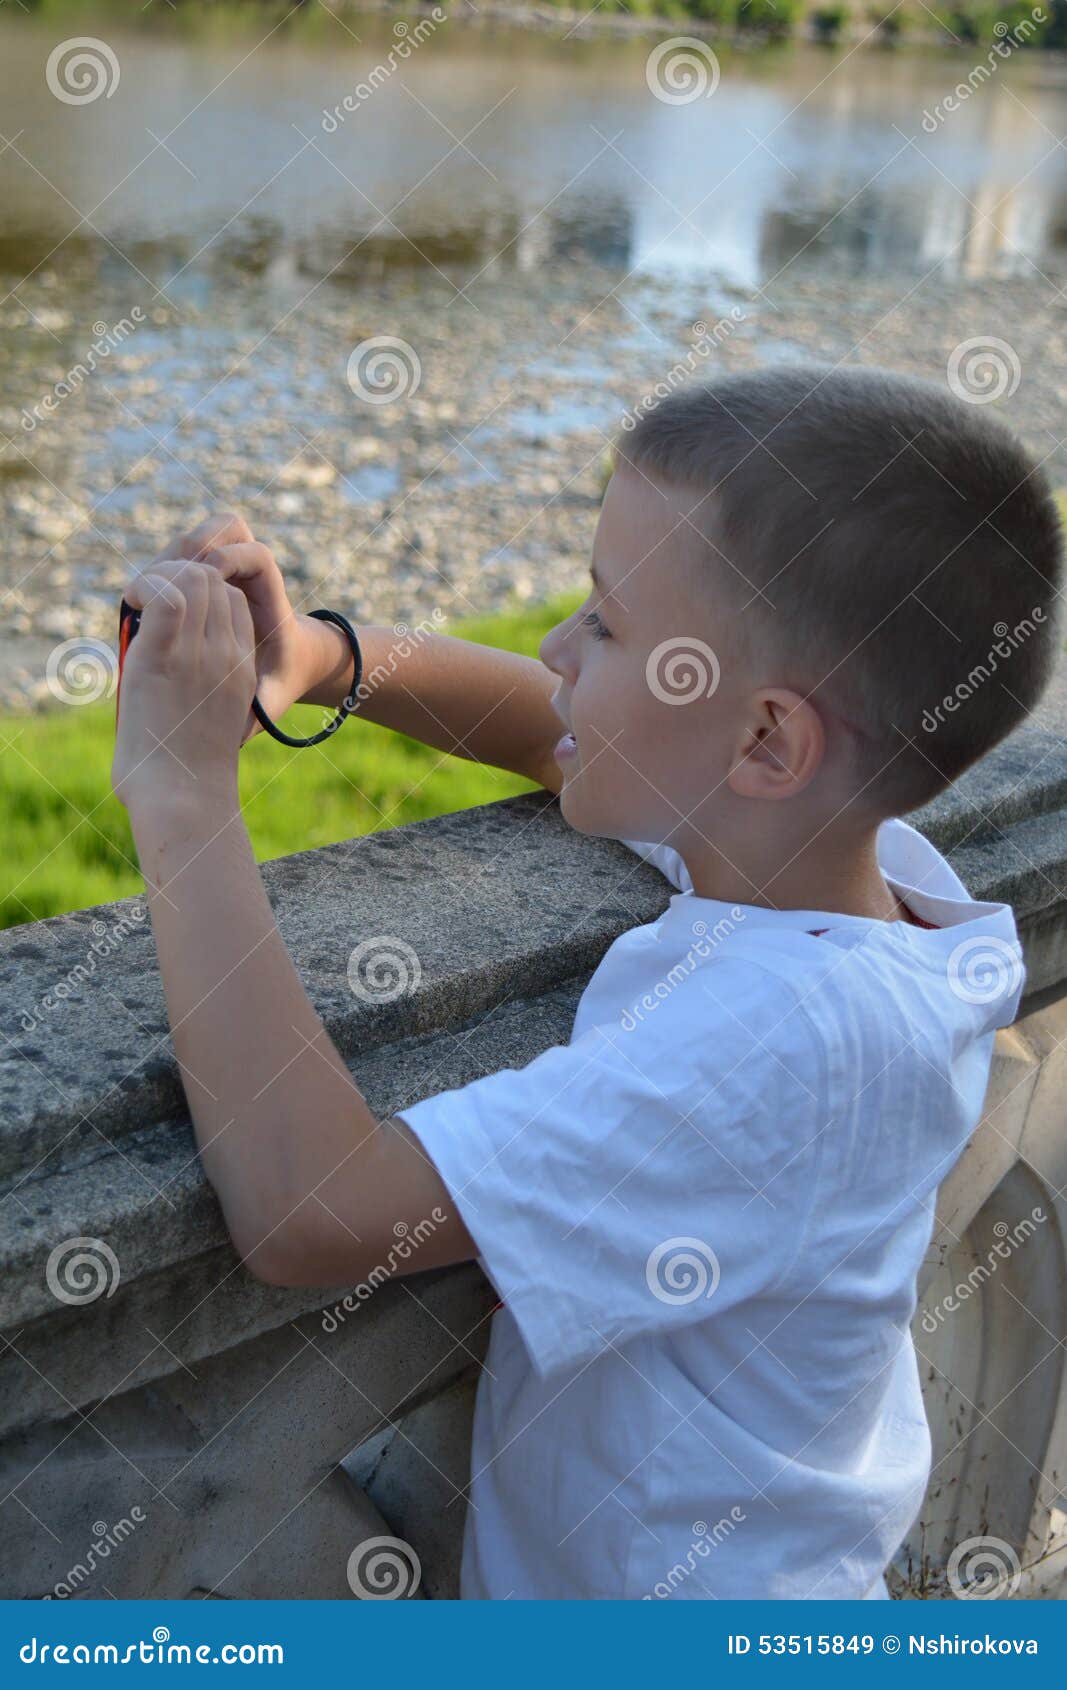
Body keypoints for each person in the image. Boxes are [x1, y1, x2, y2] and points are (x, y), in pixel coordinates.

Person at [111, 364, 1062, 1599]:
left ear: (764, 739)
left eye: (606, 623)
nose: (556, 645)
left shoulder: (768, 1043)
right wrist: (322, 658)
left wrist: (182, 792)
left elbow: (312, 1208)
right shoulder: (851, 872)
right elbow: (562, 733)